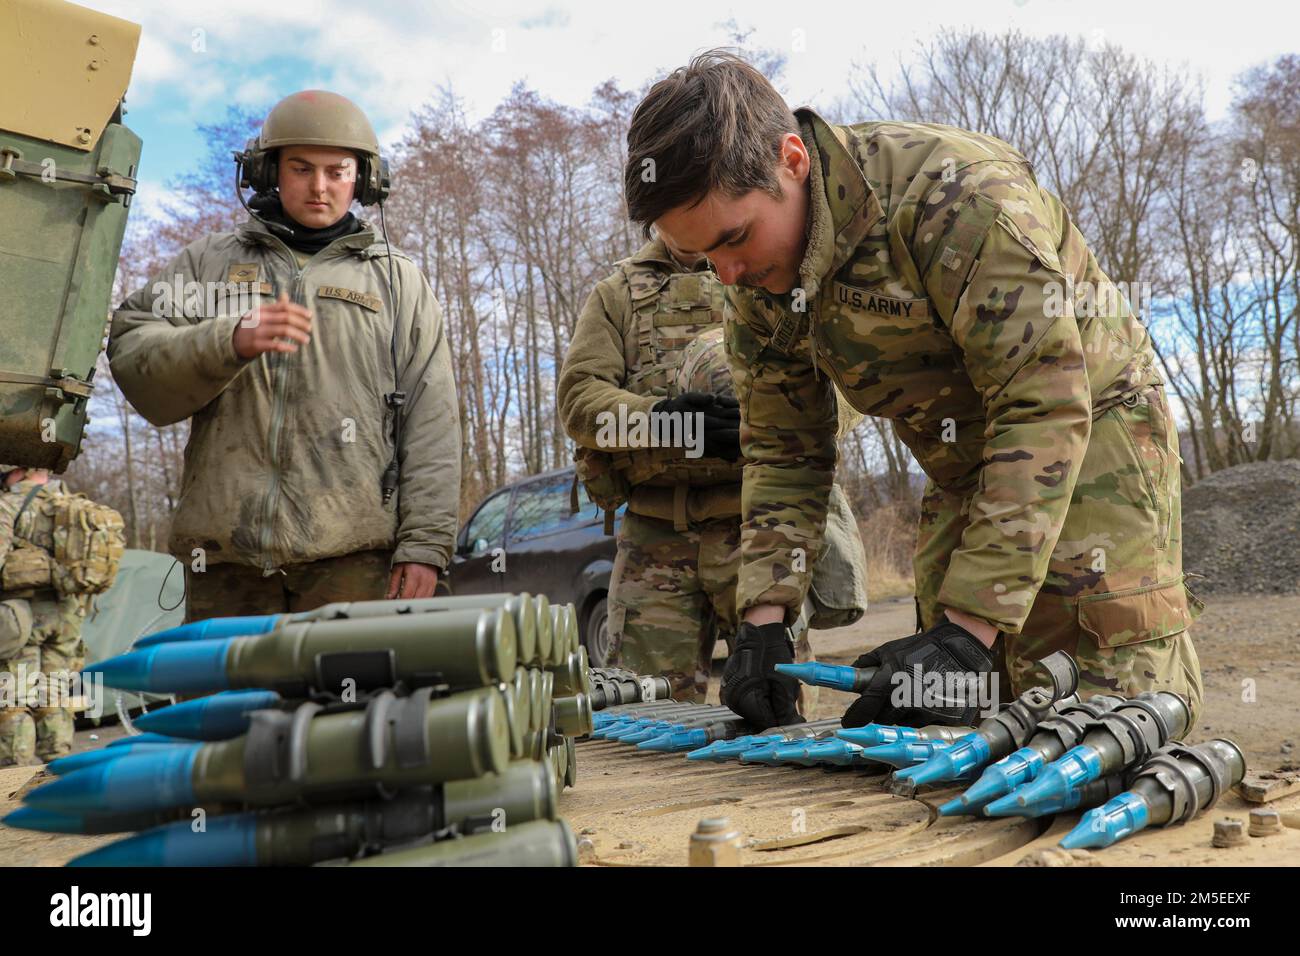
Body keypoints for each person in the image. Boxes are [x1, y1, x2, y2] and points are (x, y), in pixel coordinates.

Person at [622, 51, 1203, 729]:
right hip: (962, 464)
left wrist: (970, 627)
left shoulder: (957, 198)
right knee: (954, 708)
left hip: (1092, 436)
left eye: (736, 239)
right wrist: (763, 619)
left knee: (1098, 711)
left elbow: (1042, 398)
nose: (727, 275)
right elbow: (785, 449)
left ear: (792, 161)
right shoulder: (756, 281)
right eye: (703, 259)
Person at [109, 91, 460, 621]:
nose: (320, 187)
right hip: (226, 564)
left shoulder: (398, 281)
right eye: (301, 168)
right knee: (223, 706)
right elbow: (132, 349)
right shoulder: (210, 263)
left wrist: (426, 547)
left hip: (353, 563)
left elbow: (432, 420)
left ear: (364, 179)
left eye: (336, 171)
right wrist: (228, 341)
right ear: (269, 171)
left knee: (347, 705)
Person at [558, 235, 868, 715]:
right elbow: (579, 399)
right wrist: (663, 420)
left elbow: (848, 385)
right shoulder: (616, 294)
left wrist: (770, 420)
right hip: (656, 535)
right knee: (641, 712)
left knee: (778, 705)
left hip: (760, 527)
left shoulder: (774, 269)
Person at [0, 466, 123, 765]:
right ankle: (59, 771)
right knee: (54, 699)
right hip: (68, 618)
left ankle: (12, 785)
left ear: (15, 470)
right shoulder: (72, 504)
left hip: (22, 620)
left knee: (15, 703)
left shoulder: (7, 505)